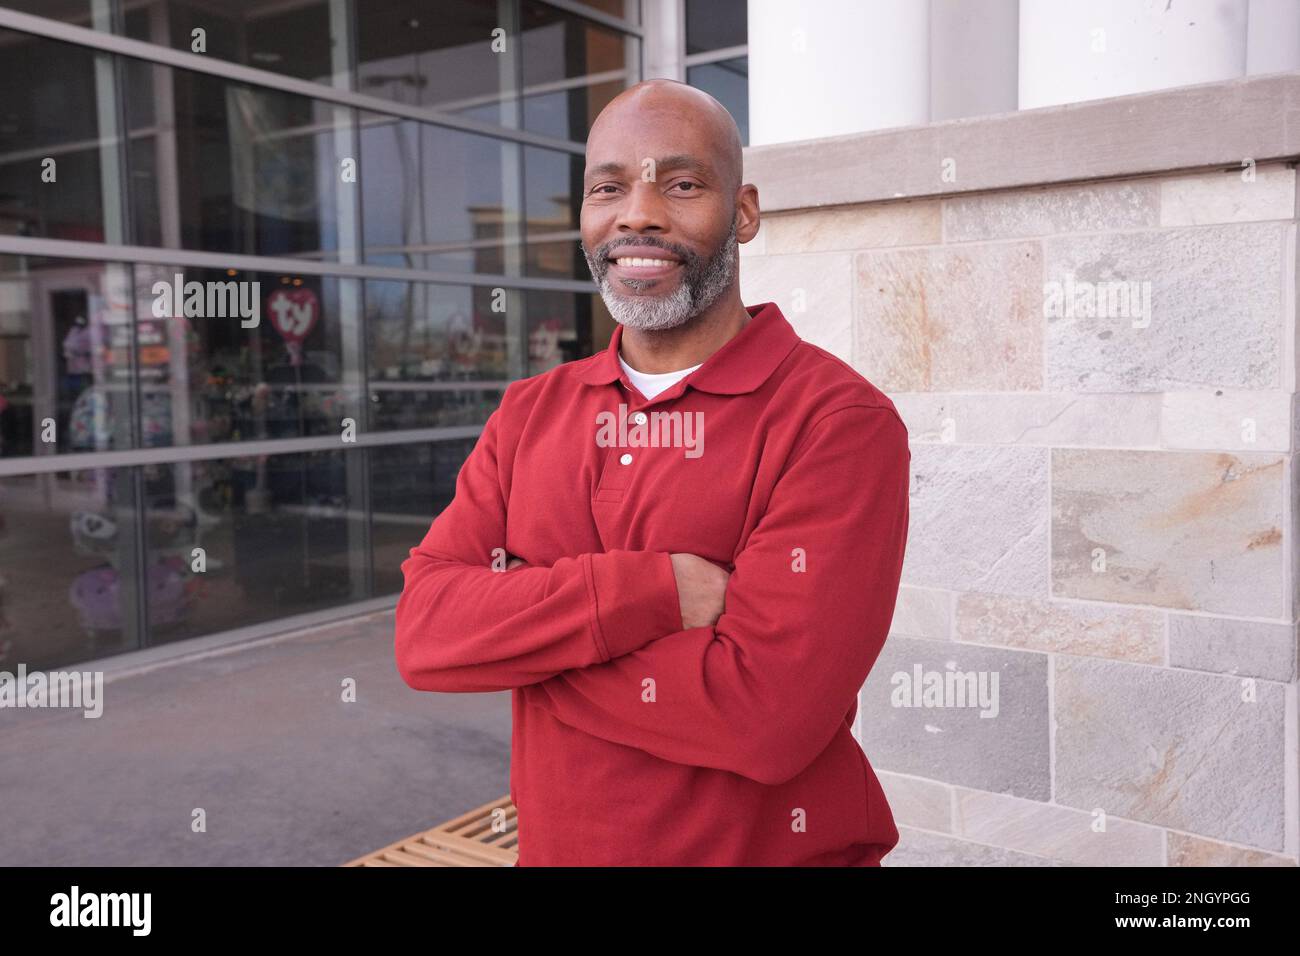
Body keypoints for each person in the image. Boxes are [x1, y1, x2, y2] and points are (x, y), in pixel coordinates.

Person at [394, 79, 911, 866]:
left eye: (680, 183)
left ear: (743, 212)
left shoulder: (836, 423)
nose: (637, 213)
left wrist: (523, 640)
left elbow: (766, 718)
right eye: (609, 187)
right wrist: (651, 594)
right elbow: (425, 634)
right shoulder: (530, 411)